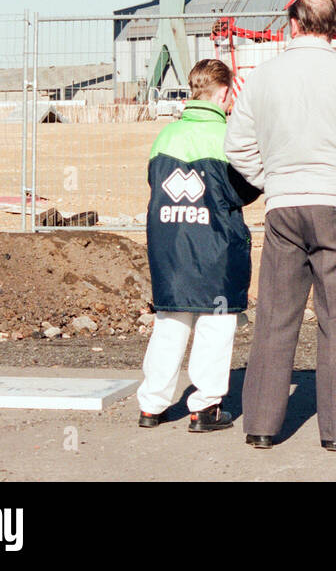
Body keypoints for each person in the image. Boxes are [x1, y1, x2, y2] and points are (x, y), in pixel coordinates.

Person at [225, 0, 336, 451]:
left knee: (275, 316)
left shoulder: (263, 76)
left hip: (284, 204)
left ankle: (261, 425)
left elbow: (237, 145)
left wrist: (272, 180)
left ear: (292, 25)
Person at [137, 58, 259, 432]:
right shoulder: (228, 138)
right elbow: (245, 190)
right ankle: (204, 408)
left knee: (170, 323)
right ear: (223, 92)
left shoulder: (165, 137)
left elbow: (154, 184)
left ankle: (151, 406)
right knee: (215, 326)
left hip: (169, 249)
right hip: (215, 249)